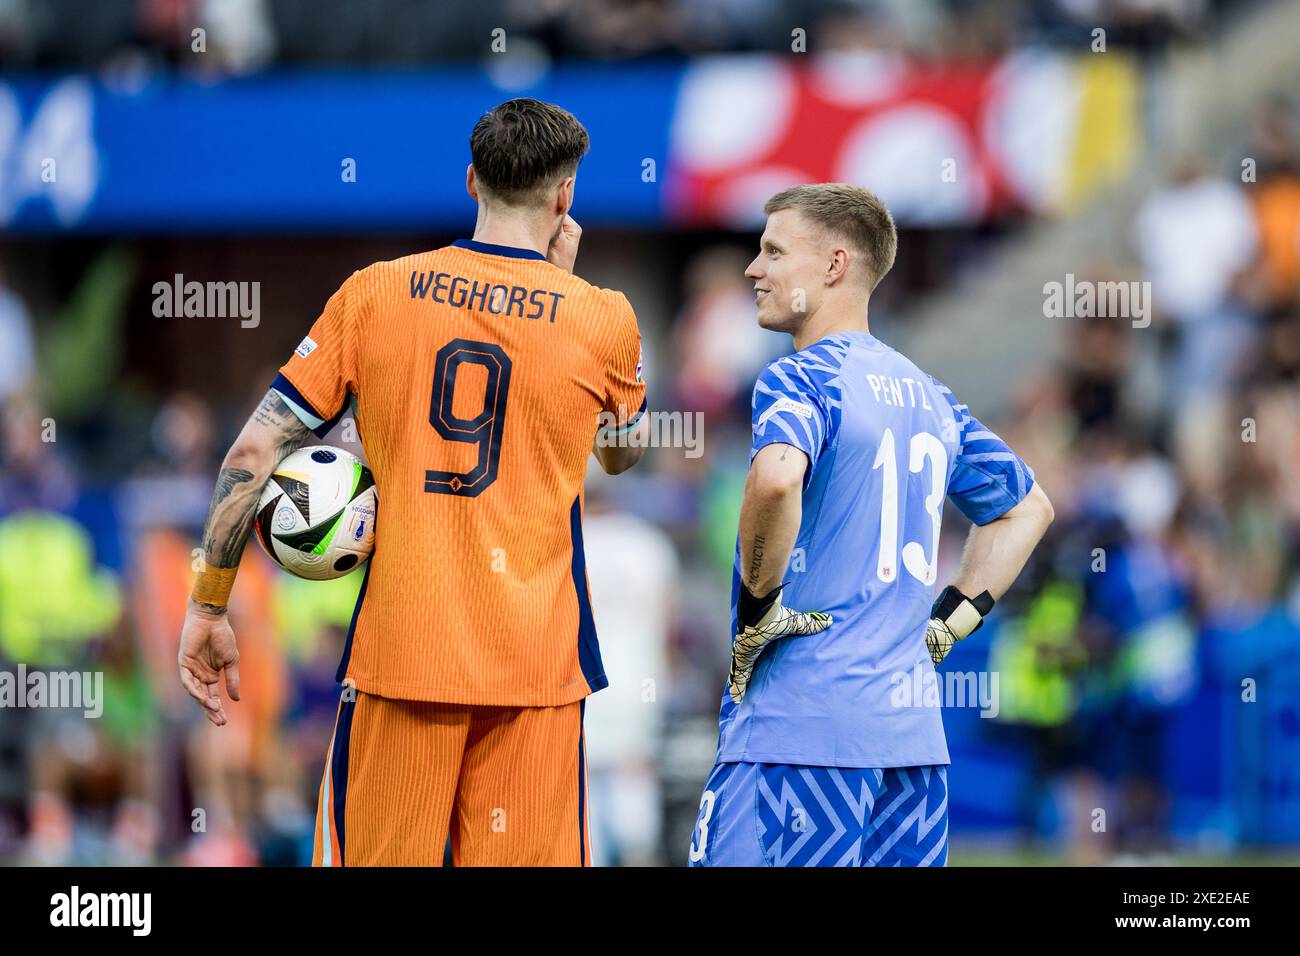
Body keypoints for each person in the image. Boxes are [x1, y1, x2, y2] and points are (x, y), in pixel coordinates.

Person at [177, 98, 649, 866]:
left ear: (470, 180)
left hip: (401, 660)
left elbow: (253, 451)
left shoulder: (374, 293)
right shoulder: (604, 318)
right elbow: (623, 453)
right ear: (566, 196)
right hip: (537, 671)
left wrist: (209, 604)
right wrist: (569, 298)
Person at [688, 183, 1054, 867]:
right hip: (910, 748)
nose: (753, 269)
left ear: (833, 266)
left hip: (796, 733)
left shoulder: (799, 378)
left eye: (772, 251)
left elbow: (774, 476)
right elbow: (1026, 508)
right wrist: (951, 621)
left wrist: (760, 606)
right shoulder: (932, 397)